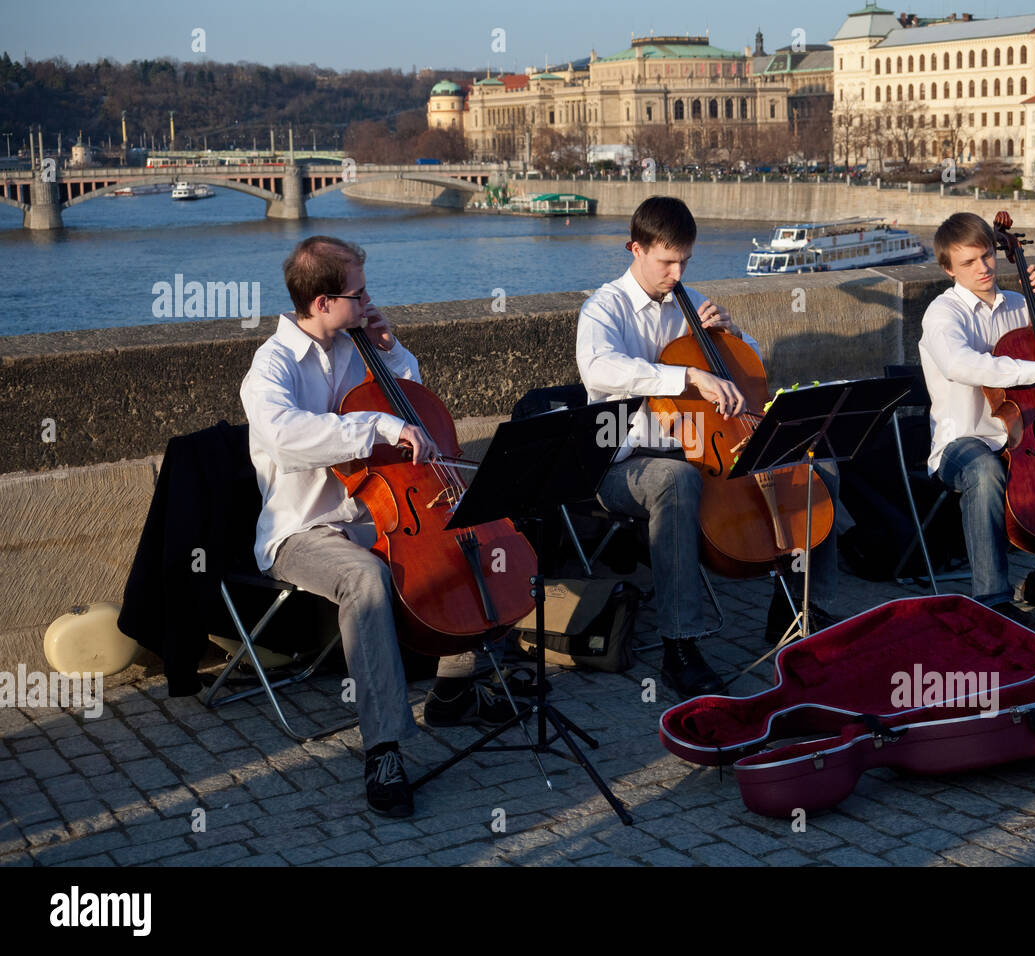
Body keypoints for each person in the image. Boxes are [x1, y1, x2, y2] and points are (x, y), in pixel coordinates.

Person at [240, 236, 511, 818]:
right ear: (319, 302)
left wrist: (392, 355)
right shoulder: (272, 366)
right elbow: (286, 434)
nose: (368, 302)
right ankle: (384, 747)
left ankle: (454, 688)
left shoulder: (358, 346)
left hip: (377, 515)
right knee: (364, 580)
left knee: (468, 544)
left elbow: (413, 408)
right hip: (304, 531)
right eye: (356, 294)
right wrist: (376, 428)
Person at [576, 197, 839, 698]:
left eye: (685, 263)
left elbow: (750, 370)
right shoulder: (603, 308)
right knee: (676, 480)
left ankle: (803, 608)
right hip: (623, 457)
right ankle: (681, 645)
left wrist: (733, 336)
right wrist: (687, 374)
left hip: (700, 445)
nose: (676, 274)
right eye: (666, 262)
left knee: (817, 466)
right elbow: (599, 369)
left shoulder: (690, 301)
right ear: (635, 248)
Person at [919, 212, 1035, 628]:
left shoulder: (1019, 305)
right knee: (983, 471)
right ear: (949, 269)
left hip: (1021, 436)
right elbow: (962, 364)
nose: (982, 268)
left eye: (986, 257)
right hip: (963, 441)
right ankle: (992, 600)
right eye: (968, 263)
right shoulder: (942, 314)